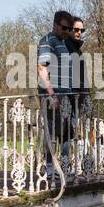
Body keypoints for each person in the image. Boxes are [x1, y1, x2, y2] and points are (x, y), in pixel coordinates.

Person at [36, 10, 75, 167]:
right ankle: (50, 167)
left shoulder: (63, 43)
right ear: (55, 24)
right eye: (64, 28)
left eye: (68, 29)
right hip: (53, 96)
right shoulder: (47, 41)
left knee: (66, 132)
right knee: (51, 132)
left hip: (65, 95)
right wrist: (51, 95)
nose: (66, 32)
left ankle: (65, 166)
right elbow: (41, 68)